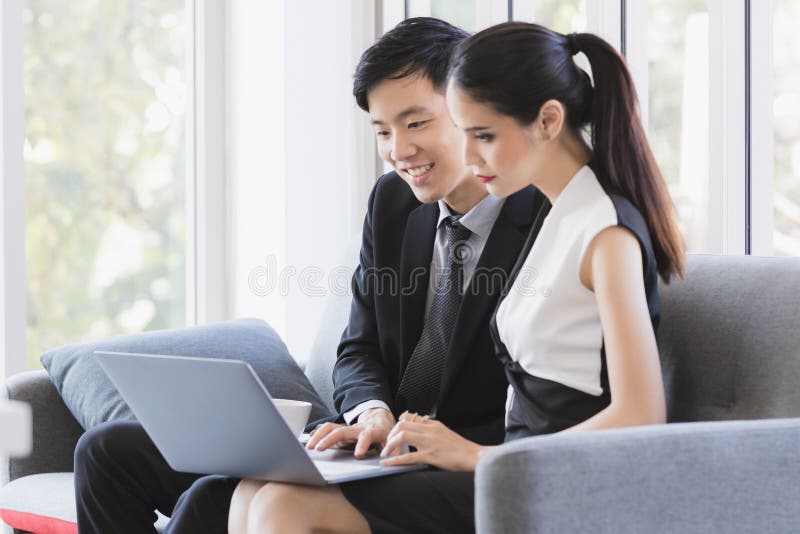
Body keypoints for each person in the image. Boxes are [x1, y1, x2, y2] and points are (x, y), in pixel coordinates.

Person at [73, 18, 548, 533]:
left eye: (415, 124)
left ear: (469, 109)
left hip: (453, 461)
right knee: (107, 450)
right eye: (382, 131)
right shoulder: (391, 203)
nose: (398, 151)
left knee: (215, 496)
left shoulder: (544, 222)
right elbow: (358, 349)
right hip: (371, 442)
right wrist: (370, 412)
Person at [230, 21, 686, 534]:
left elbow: (643, 415)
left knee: (284, 507)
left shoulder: (604, 231)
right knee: (254, 492)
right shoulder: (563, 216)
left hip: (551, 483)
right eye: (465, 134)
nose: (468, 158)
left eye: (483, 135)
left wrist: (474, 455)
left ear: (548, 121)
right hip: (506, 466)